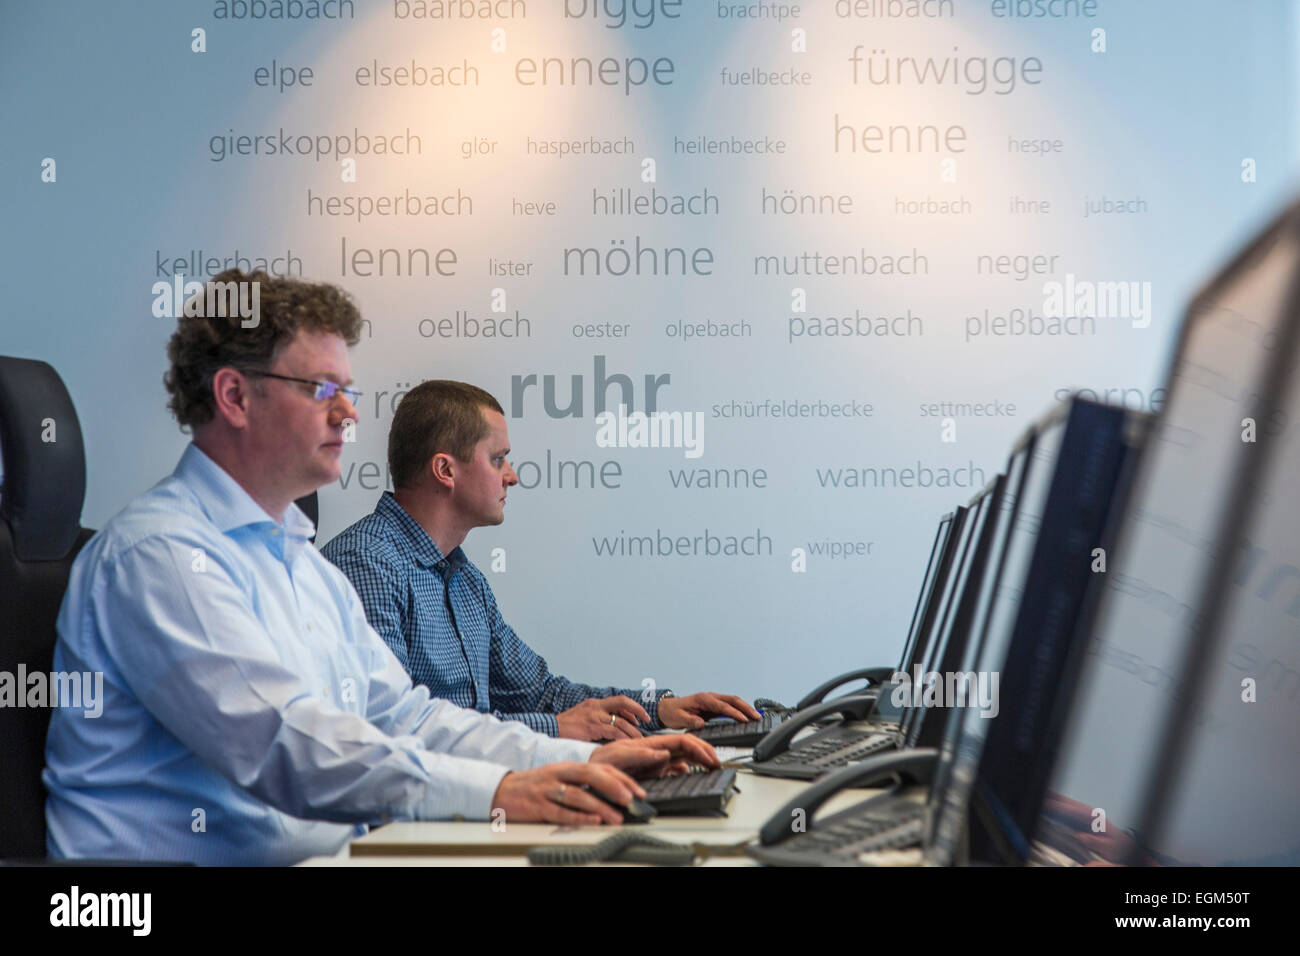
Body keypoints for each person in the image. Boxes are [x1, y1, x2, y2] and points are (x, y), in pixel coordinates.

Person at [43, 270, 715, 866]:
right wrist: (503, 791)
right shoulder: (161, 556)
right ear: (235, 397)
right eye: (321, 388)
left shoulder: (299, 562)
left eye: (349, 390)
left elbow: (406, 715)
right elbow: (288, 748)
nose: (349, 411)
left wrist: (580, 762)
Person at [321, 380, 762, 742]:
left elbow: (539, 693)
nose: (512, 475)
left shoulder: (463, 579)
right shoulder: (367, 567)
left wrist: (660, 711)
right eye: (498, 459)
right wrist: (557, 729)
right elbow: (390, 730)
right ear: (446, 470)